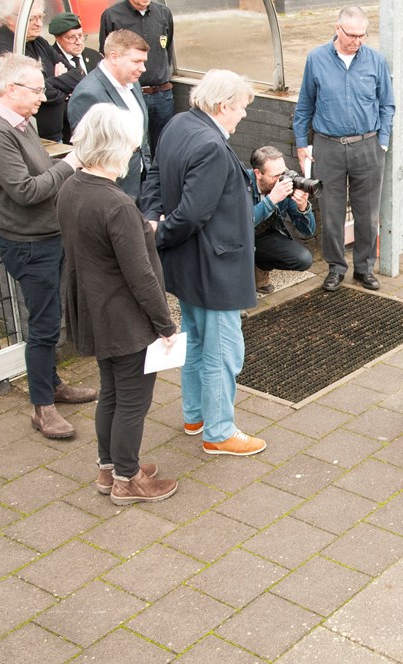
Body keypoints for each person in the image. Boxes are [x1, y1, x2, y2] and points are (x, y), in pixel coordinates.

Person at [140, 69, 266, 457]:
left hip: (187, 266)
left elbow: (156, 176)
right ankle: (219, 431)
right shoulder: (211, 145)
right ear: (222, 105)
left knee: (195, 341)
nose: (244, 115)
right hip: (216, 267)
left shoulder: (178, 123)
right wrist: (160, 233)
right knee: (223, 351)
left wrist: (152, 218)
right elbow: (193, 215)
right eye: (242, 107)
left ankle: (195, 415)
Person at [57, 103, 178, 505]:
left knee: (111, 392)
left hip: (92, 313)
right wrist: (165, 324)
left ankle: (108, 468)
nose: (131, 154)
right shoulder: (118, 205)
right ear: (115, 148)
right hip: (125, 320)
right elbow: (140, 275)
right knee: (133, 401)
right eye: (128, 146)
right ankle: (128, 479)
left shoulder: (72, 187)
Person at [0, 53, 93, 438]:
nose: (45, 96)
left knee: (51, 319)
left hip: (47, 238)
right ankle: (42, 408)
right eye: (38, 89)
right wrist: (71, 163)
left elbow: (41, 177)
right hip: (29, 245)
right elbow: (26, 191)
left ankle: (52, 385)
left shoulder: (20, 123)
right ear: (11, 89)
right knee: (42, 327)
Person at [293, 4, 394, 292]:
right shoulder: (316, 59)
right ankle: (336, 267)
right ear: (337, 29)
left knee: (368, 212)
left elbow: (387, 103)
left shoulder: (375, 61)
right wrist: (302, 144)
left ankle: (364, 269)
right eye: (352, 35)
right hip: (329, 146)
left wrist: (382, 140)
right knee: (332, 211)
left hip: (368, 145)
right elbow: (304, 106)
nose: (357, 41)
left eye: (362, 35)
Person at [67, 29, 150, 200]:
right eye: (136, 61)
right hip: (113, 191)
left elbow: (142, 135)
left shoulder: (132, 82)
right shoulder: (88, 94)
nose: (142, 68)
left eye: (143, 62)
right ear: (114, 57)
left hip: (140, 181)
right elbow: (89, 153)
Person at [0, 0, 73, 141]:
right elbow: (21, 89)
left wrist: (49, 85)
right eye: (32, 19)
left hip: (55, 133)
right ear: (9, 18)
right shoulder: (2, 44)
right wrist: (62, 90)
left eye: (41, 17)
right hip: (27, 134)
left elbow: (76, 76)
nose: (39, 23)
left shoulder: (39, 42)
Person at [99, 0, 173, 156]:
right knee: (134, 147)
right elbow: (106, 55)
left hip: (161, 95)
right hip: (129, 93)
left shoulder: (164, 13)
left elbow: (168, 48)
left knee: (165, 146)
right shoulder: (111, 15)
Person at [248, 145, 315, 295]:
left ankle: (260, 265)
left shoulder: (285, 184)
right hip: (238, 239)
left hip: (264, 236)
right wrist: (271, 200)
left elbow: (308, 231)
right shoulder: (241, 184)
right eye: (275, 176)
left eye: (283, 173)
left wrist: (303, 207)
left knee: (303, 259)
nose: (281, 180)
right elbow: (239, 223)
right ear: (258, 173)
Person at [48, 12, 100, 142]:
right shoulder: (49, 60)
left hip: (98, 126)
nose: (79, 42)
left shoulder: (95, 56)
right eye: (71, 38)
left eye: (81, 36)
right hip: (69, 130)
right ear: (58, 38)